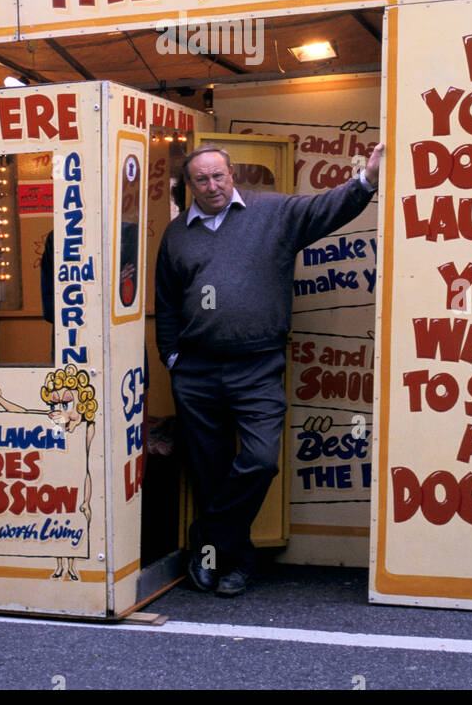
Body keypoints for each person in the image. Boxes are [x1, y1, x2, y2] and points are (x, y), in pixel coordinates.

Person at [155, 138, 384, 597]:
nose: (212, 185)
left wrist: (367, 182)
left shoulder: (273, 213)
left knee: (259, 461)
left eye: (218, 176)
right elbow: (167, 303)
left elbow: (326, 208)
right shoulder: (177, 233)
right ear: (190, 186)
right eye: (202, 180)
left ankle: (206, 538)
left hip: (257, 366)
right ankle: (229, 561)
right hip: (197, 371)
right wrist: (173, 358)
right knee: (209, 472)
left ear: (231, 174)